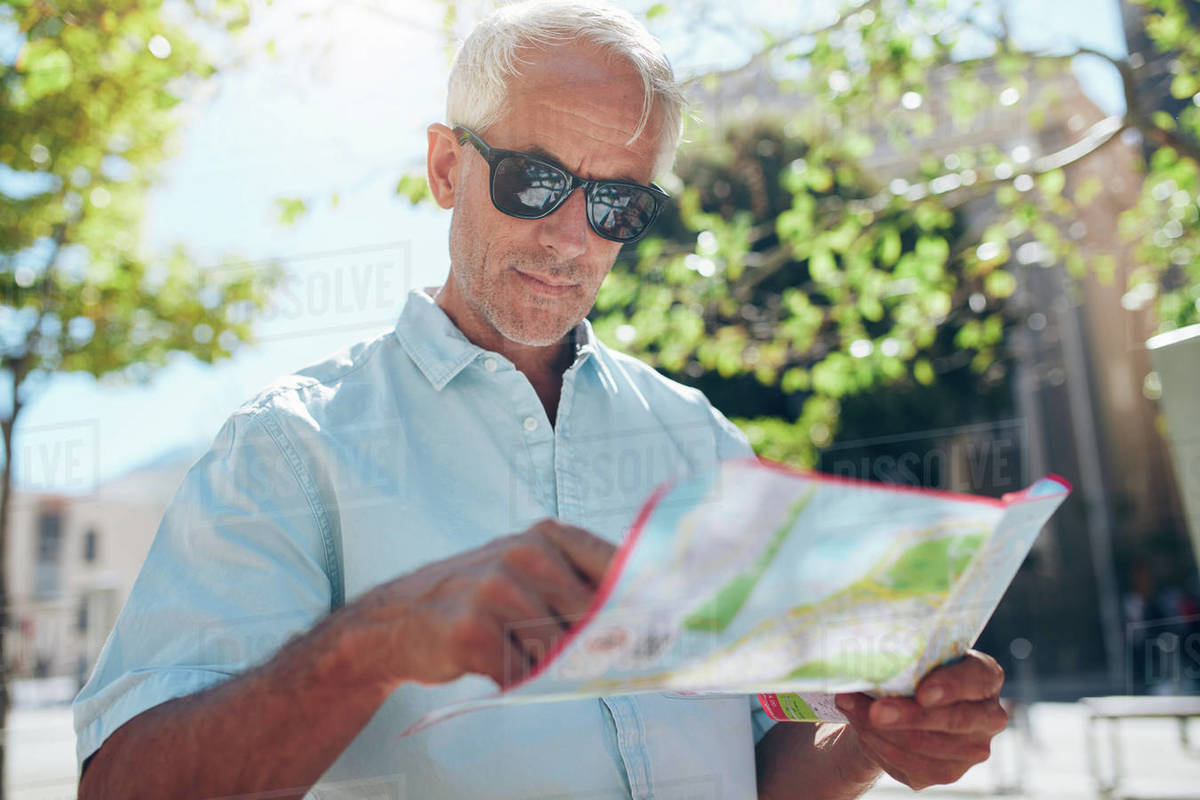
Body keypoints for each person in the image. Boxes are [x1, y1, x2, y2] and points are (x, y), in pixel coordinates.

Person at [73, 1, 1009, 798]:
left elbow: (754, 761)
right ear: (447, 169)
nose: (570, 237)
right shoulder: (291, 446)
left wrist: (872, 746)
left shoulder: (701, 440)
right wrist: (372, 645)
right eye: (536, 181)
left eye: (616, 205)